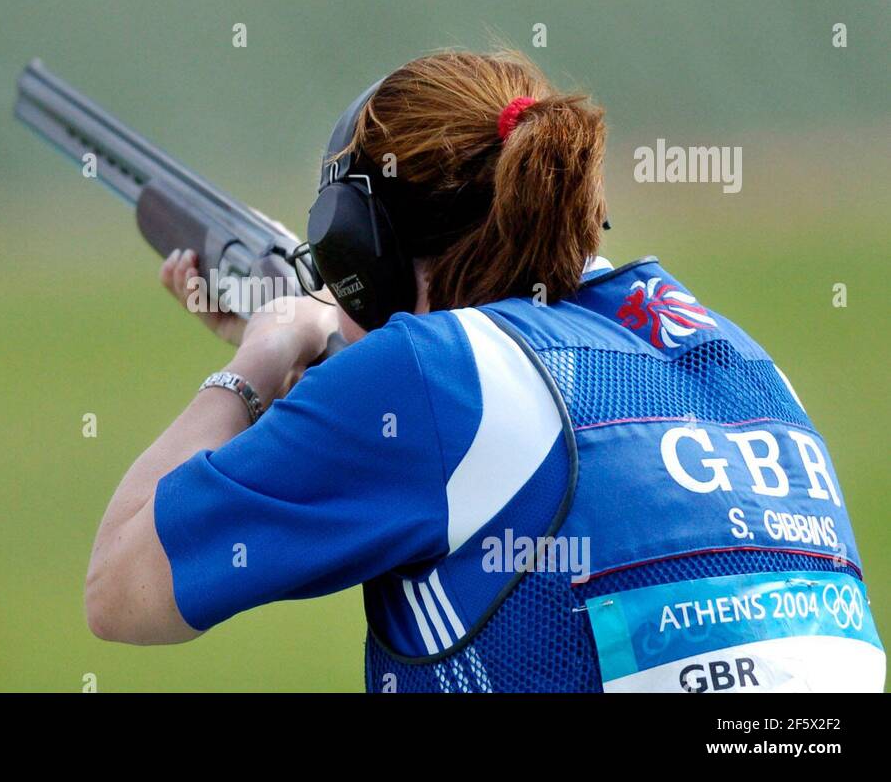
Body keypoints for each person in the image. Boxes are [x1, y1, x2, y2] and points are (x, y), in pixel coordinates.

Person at [83, 49, 884, 692]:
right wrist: (332, 354)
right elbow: (540, 421)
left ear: (365, 248)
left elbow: (121, 583)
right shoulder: (736, 358)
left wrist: (260, 359)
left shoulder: (427, 377)